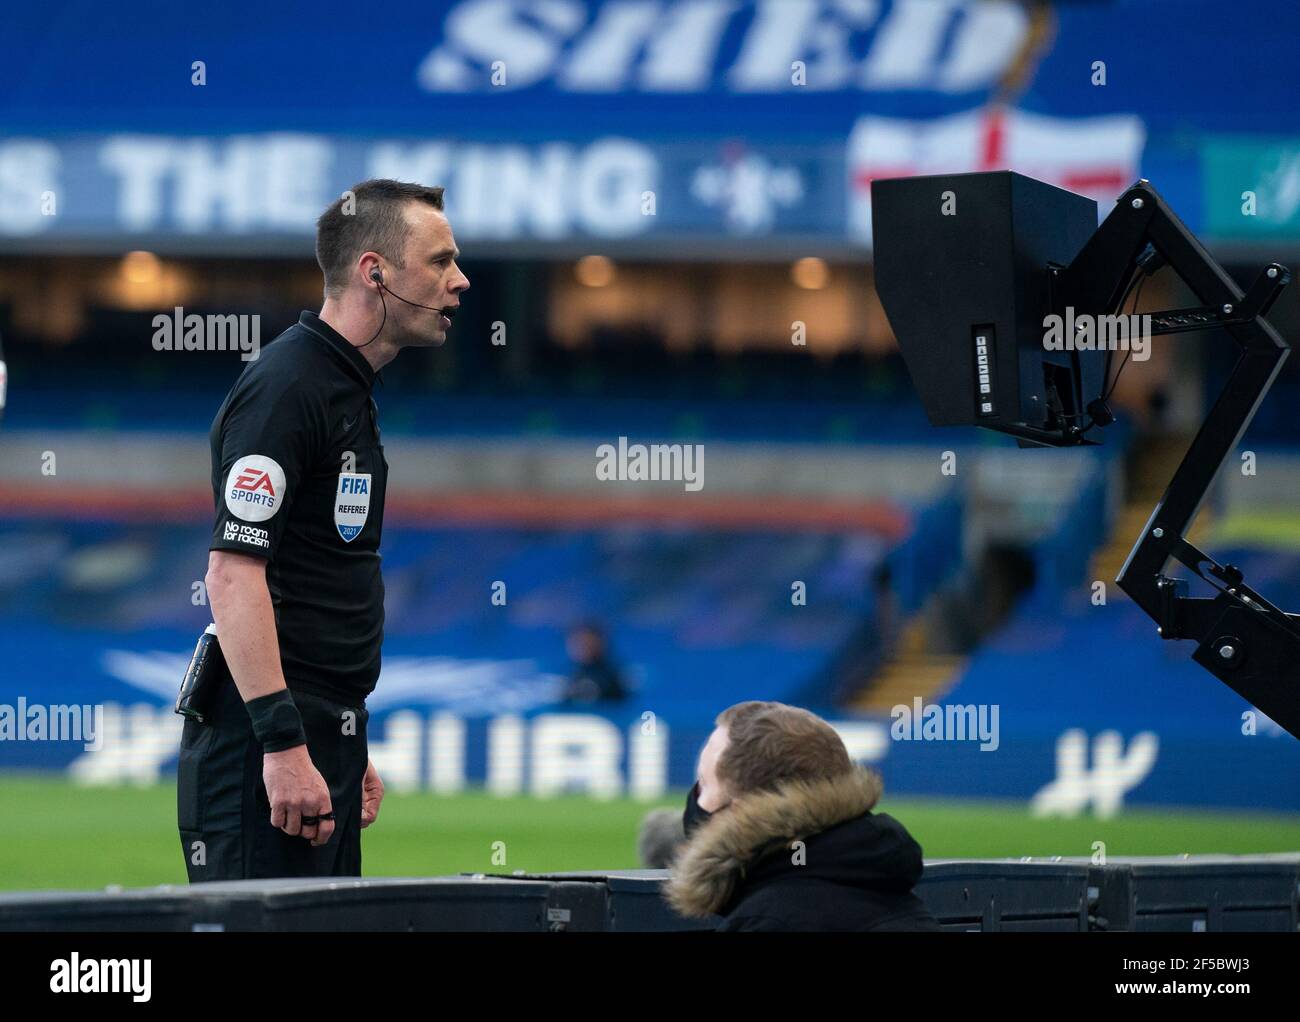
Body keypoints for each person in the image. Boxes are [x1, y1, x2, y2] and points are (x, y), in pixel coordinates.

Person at [178, 179, 470, 880]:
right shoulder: (289, 388)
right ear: (375, 271)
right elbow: (232, 573)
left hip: (319, 731)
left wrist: (345, 731)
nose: (459, 282)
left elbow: (312, 576)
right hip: (262, 749)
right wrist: (283, 743)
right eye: (439, 261)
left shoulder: (343, 389)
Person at [665, 700, 939, 931]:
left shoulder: (768, 921)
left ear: (740, 814)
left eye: (703, 784)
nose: (695, 799)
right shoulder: (894, 894)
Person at [561, 620, 628, 703]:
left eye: (587, 642)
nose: (581, 647)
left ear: (601, 644)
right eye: (577, 642)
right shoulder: (572, 672)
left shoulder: (611, 677)